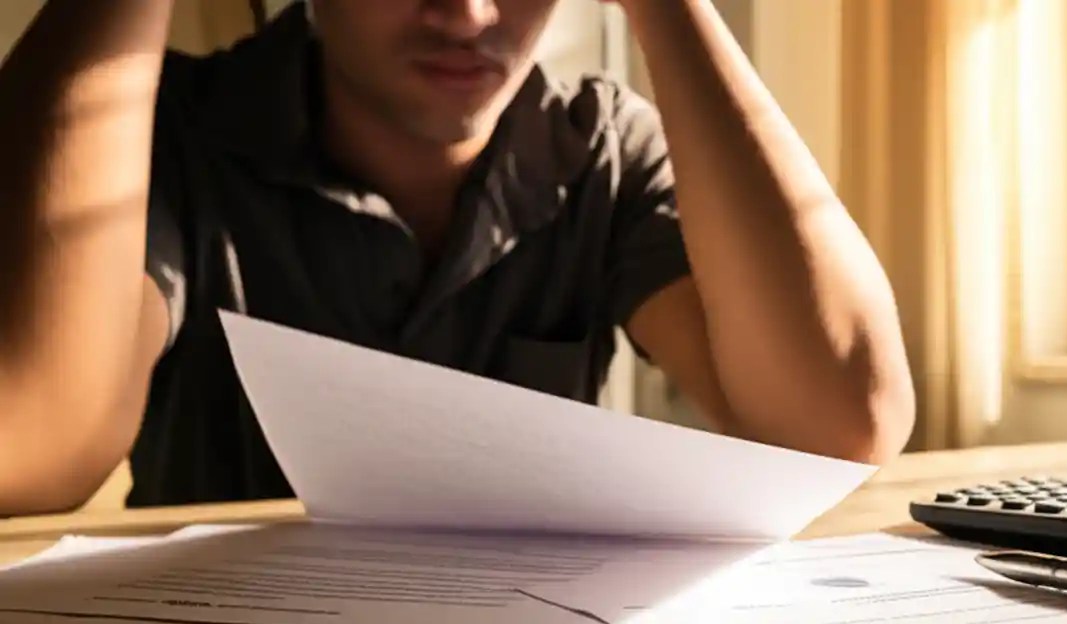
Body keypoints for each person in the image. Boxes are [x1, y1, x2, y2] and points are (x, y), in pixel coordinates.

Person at [0, 0, 915, 516]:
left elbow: (838, 424)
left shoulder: (603, 151)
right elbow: (25, 446)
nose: (469, 12)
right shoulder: (174, 138)